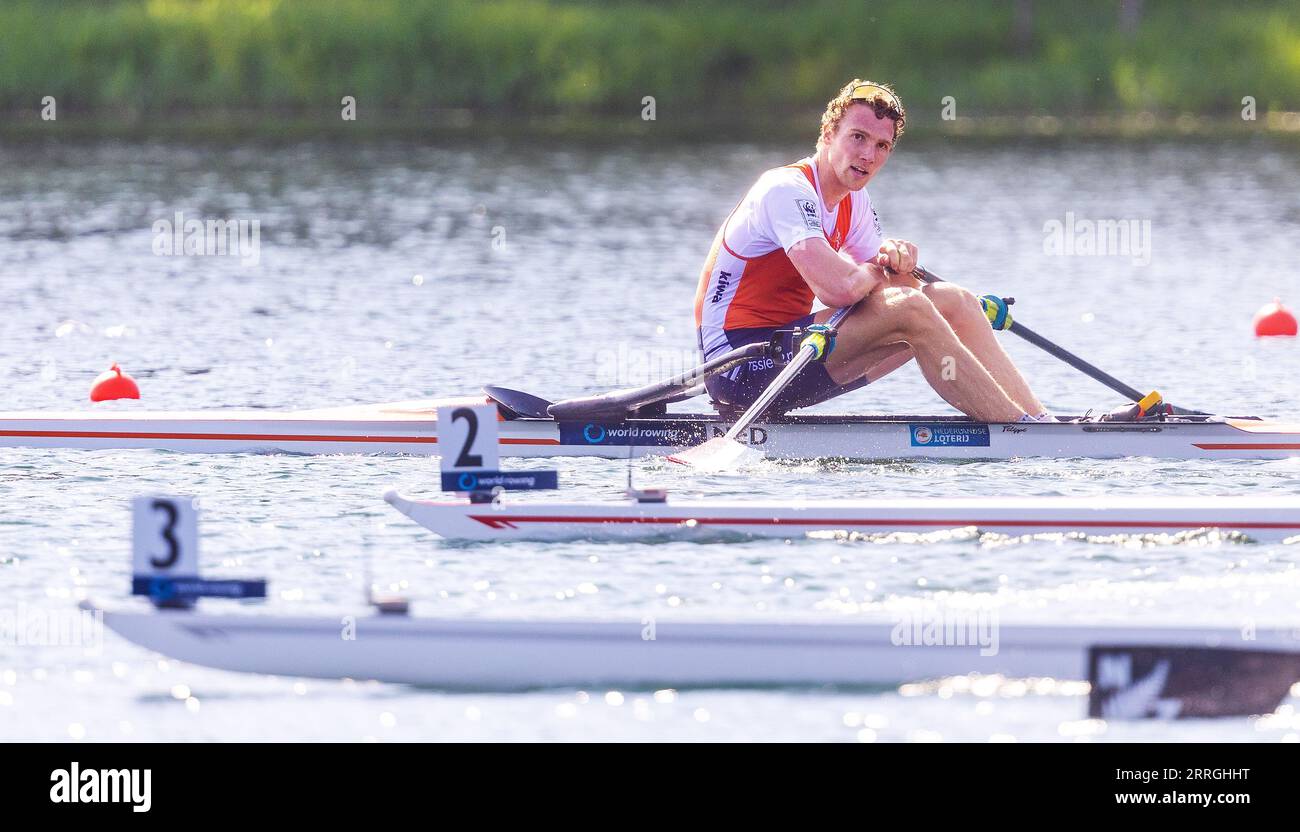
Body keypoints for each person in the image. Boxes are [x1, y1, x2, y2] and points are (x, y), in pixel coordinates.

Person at [693, 79, 1051, 422]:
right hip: (737, 365)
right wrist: (878, 269)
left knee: (954, 301)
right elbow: (838, 288)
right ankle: (1015, 427)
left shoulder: (855, 200)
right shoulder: (784, 190)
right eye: (858, 137)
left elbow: (903, 295)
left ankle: (1038, 420)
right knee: (912, 309)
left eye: (882, 146)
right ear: (828, 135)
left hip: (791, 351)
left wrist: (898, 263)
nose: (868, 155)